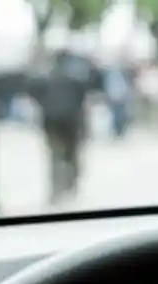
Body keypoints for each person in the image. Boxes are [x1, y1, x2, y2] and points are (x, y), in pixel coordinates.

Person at [33, 49, 93, 204]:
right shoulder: (76, 77)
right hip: (72, 120)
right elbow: (82, 100)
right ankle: (71, 183)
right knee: (72, 153)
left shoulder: (45, 77)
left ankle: (55, 190)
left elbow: (36, 96)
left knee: (55, 155)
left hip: (52, 121)